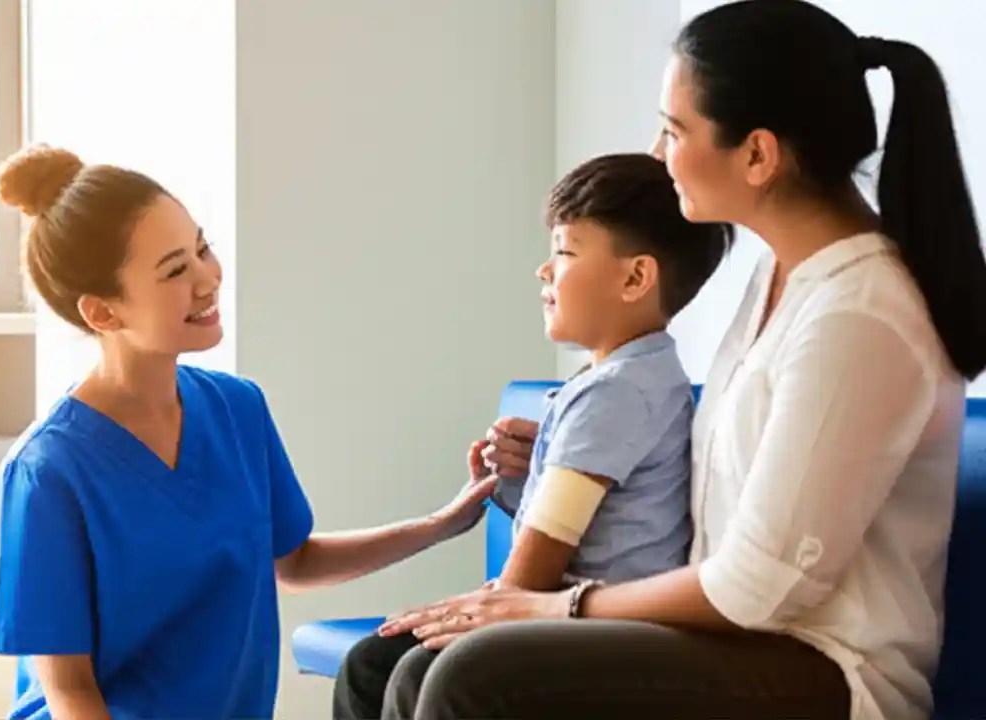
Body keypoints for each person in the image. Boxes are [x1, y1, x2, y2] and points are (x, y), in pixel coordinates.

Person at [373, 1, 986, 718]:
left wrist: (556, 606)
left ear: (757, 154)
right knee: (396, 663)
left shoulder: (859, 314)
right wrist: (568, 451)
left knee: (474, 675)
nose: (659, 154)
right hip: (743, 643)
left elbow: (756, 586)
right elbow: (749, 479)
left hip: (825, 672)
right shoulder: (783, 279)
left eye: (675, 129)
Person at [0, 144, 500, 720]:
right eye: (175, 270)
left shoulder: (237, 408)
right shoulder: (47, 472)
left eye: (201, 248)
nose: (207, 278)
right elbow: (69, 691)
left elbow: (294, 562)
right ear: (103, 313)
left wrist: (443, 523)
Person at [333, 153, 730, 719]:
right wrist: (518, 481)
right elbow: (585, 518)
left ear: (635, 277)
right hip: (586, 615)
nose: (544, 271)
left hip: (598, 626)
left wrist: (470, 616)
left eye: (564, 252)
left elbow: (541, 561)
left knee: (391, 663)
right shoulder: (637, 380)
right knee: (384, 661)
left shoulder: (614, 392)